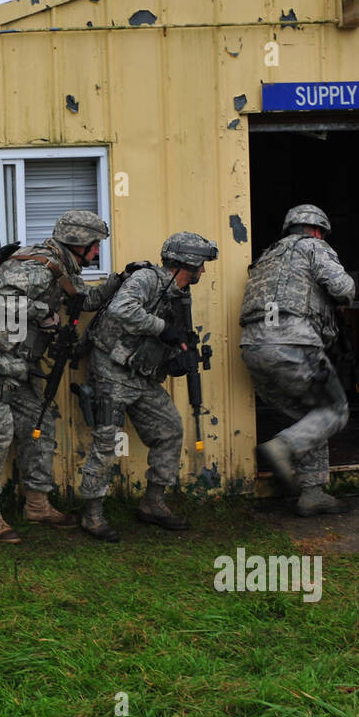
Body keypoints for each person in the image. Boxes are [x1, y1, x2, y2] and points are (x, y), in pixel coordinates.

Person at [0, 209, 123, 542]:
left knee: (41, 425)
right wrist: (43, 313)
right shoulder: (35, 268)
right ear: (78, 242)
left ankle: (36, 503)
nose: (96, 253)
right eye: (94, 246)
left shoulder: (61, 266)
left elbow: (84, 299)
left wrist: (119, 281)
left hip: (20, 362)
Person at [76, 232, 218, 541]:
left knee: (169, 428)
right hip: (112, 371)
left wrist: (178, 355)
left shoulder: (179, 294)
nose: (203, 272)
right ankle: (92, 514)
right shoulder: (147, 279)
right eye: (201, 266)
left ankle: (152, 503)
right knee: (107, 442)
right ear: (188, 263)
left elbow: (167, 337)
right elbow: (121, 310)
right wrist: (164, 330)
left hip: (142, 376)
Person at [239, 204, 354, 516]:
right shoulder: (314, 247)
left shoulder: (266, 257)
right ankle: (283, 448)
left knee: (312, 417)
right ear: (318, 230)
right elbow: (343, 288)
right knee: (335, 410)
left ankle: (312, 492)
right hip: (292, 342)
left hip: (253, 346)